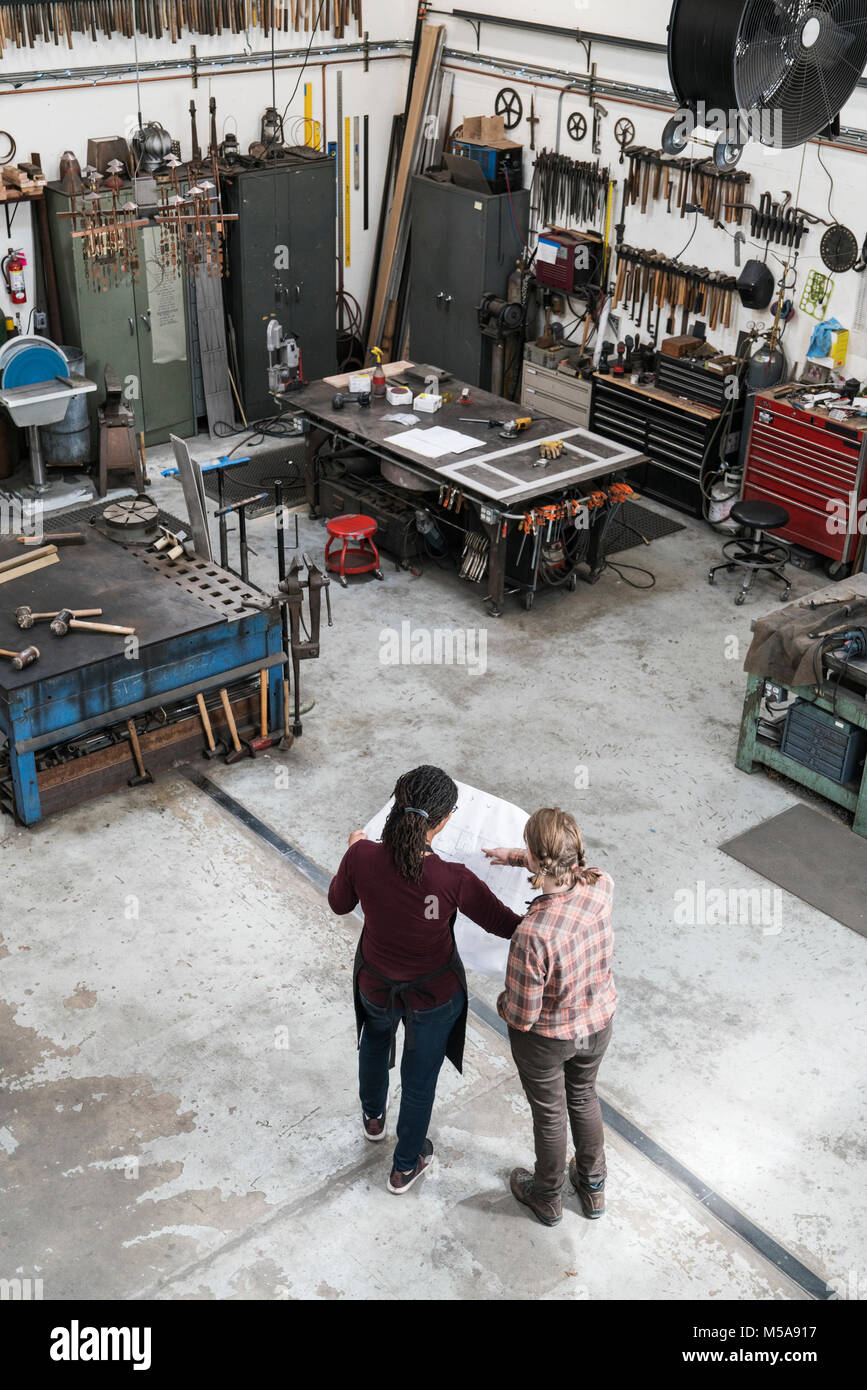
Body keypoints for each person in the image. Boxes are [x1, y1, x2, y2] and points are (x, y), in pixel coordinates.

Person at [329, 765, 522, 1194]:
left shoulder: (362, 857)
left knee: (374, 1044)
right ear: (446, 819)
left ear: (397, 804)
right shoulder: (452, 879)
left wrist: (351, 853)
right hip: (433, 996)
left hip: (375, 982)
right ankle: (404, 1166)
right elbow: (506, 925)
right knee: (420, 1081)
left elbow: (340, 904)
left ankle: (373, 1118)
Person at [484, 808, 616, 1227]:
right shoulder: (601, 886)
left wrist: (500, 1003)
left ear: (541, 859)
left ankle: (546, 1197)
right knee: (583, 1096)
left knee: (550, 1114)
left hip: (548, 1039)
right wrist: (518, 858)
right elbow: (563, 868)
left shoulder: (532, 933)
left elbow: (523, 1017)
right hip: (596, 1025)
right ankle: (593, 1188)